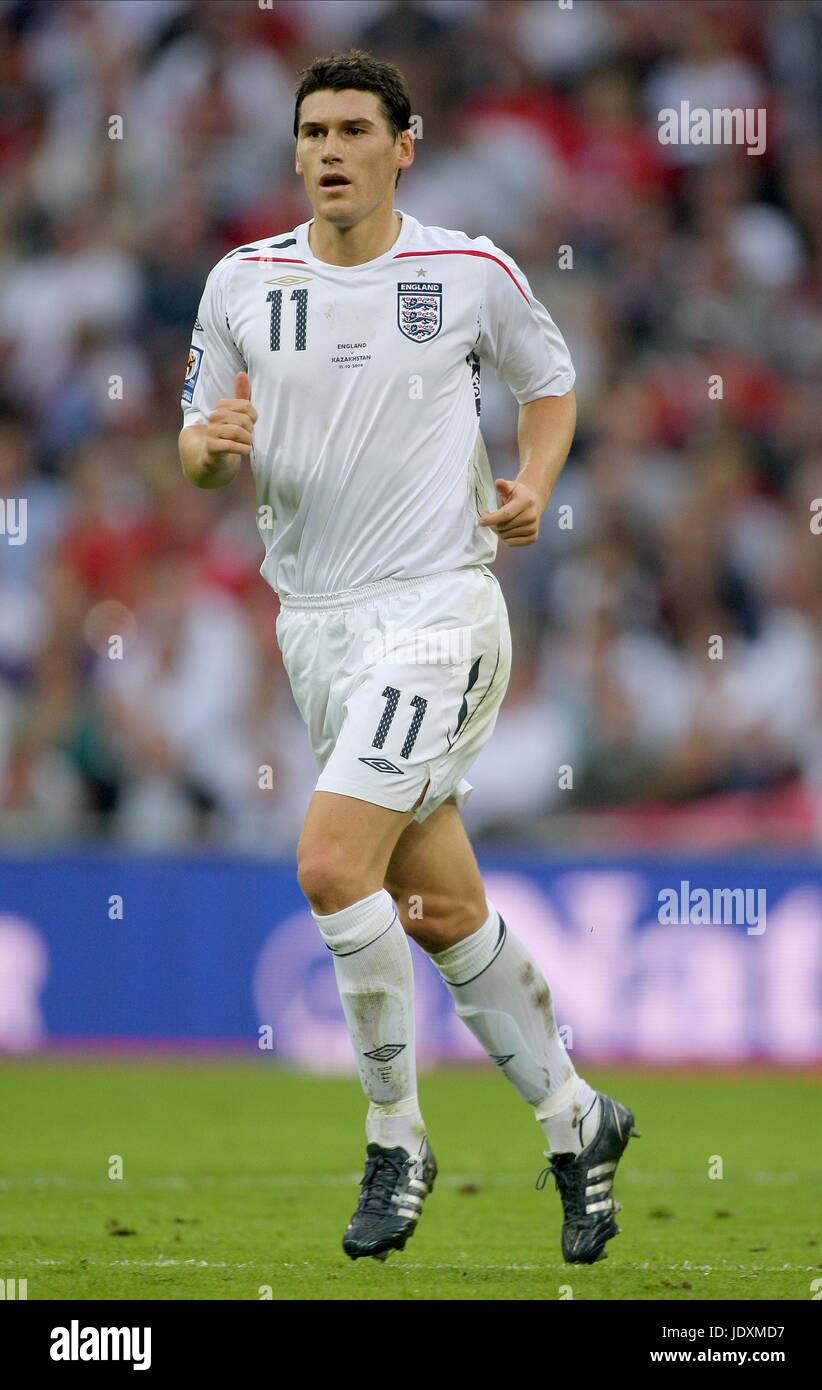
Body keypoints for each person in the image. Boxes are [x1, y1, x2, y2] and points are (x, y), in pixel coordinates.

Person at [178, 49, 639, 1266]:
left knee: (333, 867)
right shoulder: (240, 283)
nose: (329, 149)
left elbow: (551, 383)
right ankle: (576, 1117)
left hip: (437, 610)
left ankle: (396, 1134)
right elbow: (195, 444)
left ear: (404, 145)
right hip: (315, 624)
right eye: (312, 130)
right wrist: (211, 449)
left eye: (352, 129)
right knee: (435, 906)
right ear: (294, 150)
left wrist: (533, 483)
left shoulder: (466, 270)